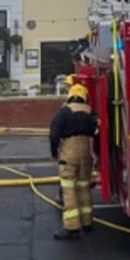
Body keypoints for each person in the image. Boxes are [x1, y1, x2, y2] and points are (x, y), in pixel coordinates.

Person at [49, 83, 98, 240]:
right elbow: (96, 131)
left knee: (68, 188)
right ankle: (87, 221)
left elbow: (54, 133)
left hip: (69, 150)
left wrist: (54, 151)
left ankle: (71, 228)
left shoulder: (64, 112)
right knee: (84, 186)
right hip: (86, 151)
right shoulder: (90, 112)